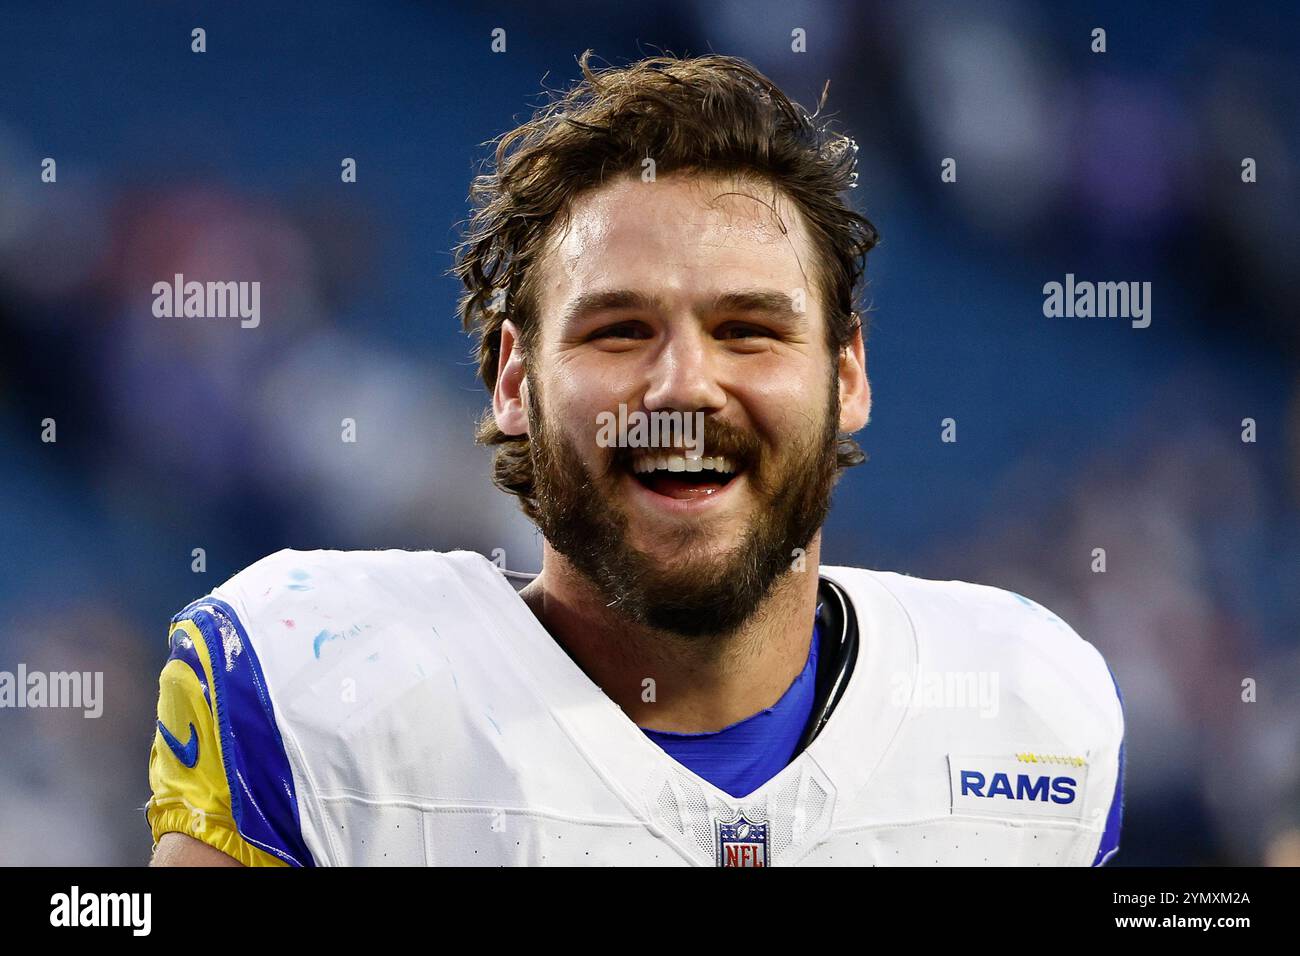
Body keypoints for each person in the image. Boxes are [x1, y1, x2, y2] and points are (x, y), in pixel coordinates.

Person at [148, 51, 1123, 867]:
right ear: (513, 381)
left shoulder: (1026, 707)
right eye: (619, 330)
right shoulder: (328, 693)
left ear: (847, 374)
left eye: (747, 329)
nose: (682, 386)